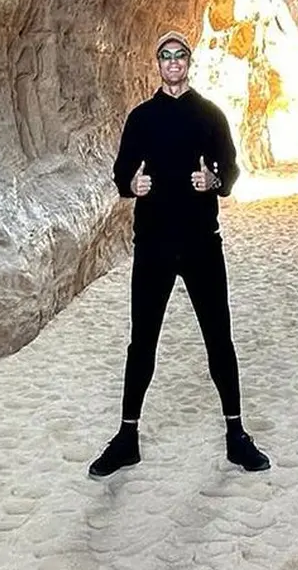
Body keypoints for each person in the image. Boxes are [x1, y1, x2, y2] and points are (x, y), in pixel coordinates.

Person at [87, 30, 271, 477]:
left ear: (189, 62)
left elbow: (230, 168)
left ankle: (236, 435)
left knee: (218, 340)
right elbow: (120, 172)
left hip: (201, 243)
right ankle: (127, 437)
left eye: (180, 55)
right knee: (142, 344)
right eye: (165, 55)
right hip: (152, 245)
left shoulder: (209, 115)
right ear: (157, 64)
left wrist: (216, 184)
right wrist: (133, 185)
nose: (173, 62)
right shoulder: (141, 118)